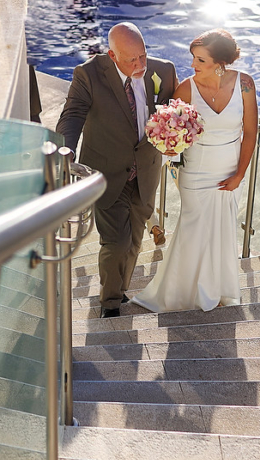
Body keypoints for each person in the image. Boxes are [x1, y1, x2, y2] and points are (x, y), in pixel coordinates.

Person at [132, 29, 259, 313]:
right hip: (194, 174)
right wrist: (168, 147)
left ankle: (217, 289)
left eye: (200, 60)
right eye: (193, 58)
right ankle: (178, 293)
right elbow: (169, 131)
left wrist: (239, 174)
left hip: (230, 169)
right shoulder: (186, 90)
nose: (193, 65)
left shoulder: (245, 85)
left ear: (220, 62)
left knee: (221, 230)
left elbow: (250, 133)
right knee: (192, 229)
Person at [57, 22, 178, 318]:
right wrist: (67, 148)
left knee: (135, 240)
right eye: (131, 59)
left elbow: (173, 110)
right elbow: (73, 113)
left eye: (143, 55)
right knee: (116, 241)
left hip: (146, 172)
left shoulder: (163, 71)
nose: (140, 64)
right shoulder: (88, 74)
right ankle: (110, 303)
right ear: (112, 55)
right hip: (107, 173)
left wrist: (176, 137)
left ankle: (120, 289)